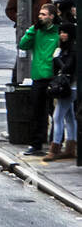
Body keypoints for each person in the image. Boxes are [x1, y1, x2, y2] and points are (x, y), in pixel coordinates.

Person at [19, 3, 60, 156]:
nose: (40, 17)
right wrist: (32, 30)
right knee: (37, 112)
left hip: (53, 77)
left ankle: (55, 142)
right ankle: (36, 144)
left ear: (51, 16)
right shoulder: (36, 31)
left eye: (44, 14)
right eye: (40, 14)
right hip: (38, 77)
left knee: (56, 112)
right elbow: (23, 45)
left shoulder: (57, 32)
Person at [44, 21, 76, 161]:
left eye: (65, 32)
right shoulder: (65, 48)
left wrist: (57, 59)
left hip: (70, 87)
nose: (62, 35)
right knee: (69, 117)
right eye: (61, 32)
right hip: (69, 86)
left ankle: (55, 148)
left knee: (58, 117)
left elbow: (67, 68)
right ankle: (70, 147)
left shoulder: (73, 49)